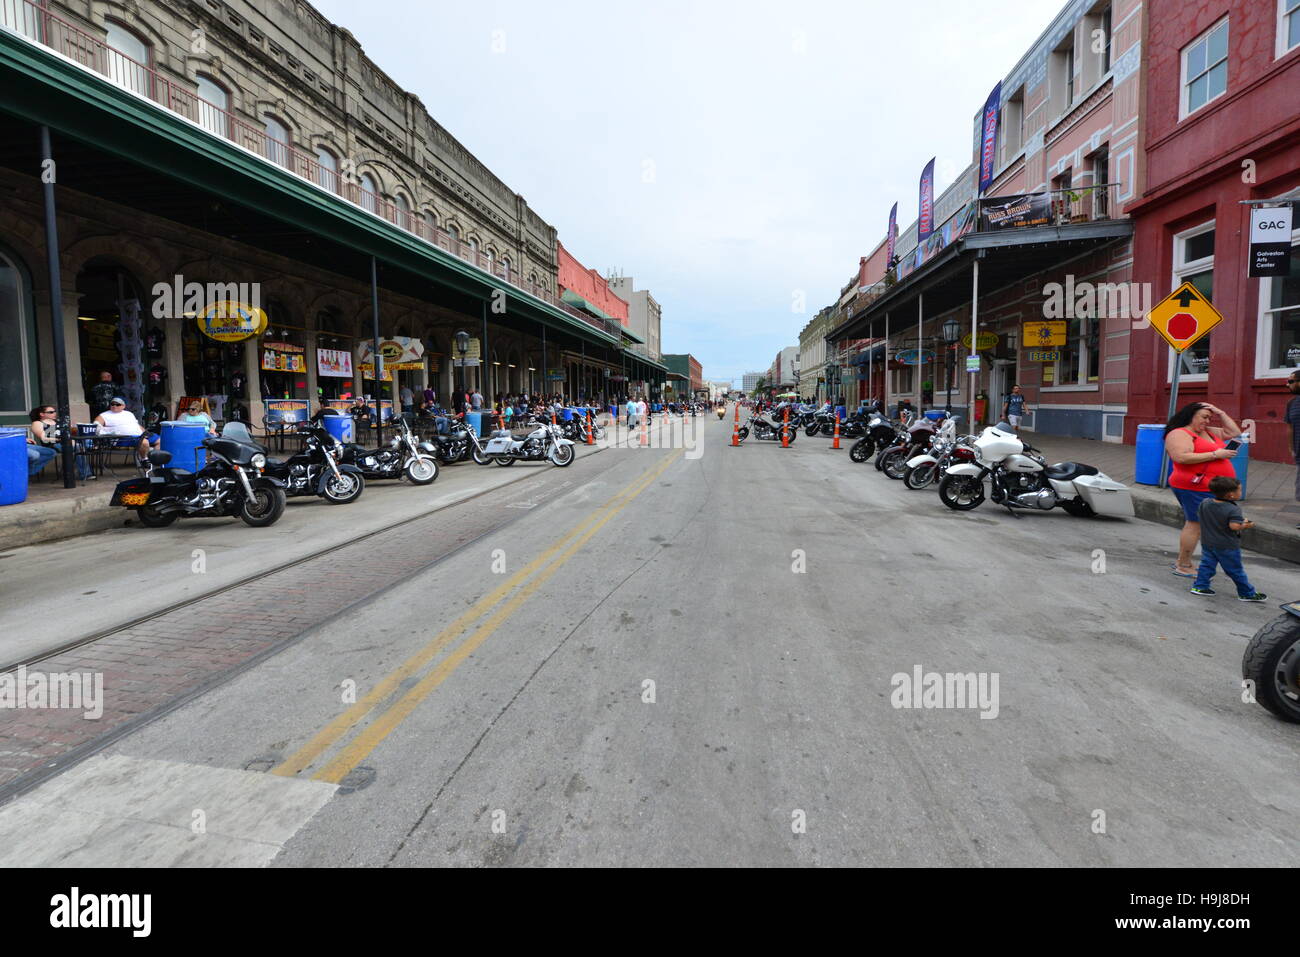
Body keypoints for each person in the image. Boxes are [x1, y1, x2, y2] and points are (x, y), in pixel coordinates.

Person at [1164, 401, 1242, 578]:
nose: (1207, 421)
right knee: (1195, 525)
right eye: (1204, 417)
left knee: (1197, 524)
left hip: (1208, 487)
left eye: (1210, 417)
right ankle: (1183, 565)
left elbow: (1235, 433)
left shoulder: (1208, 432)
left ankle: (1182, 561)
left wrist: (1220, 412)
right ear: (1191, 415)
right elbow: (1181, 457)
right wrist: (1216, 454)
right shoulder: (1179, 433)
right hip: (1193, 486)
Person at [1190, 476, 1267, 601]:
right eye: (1239, 490)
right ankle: (1246, 593)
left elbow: (1201, 515)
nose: (1241, 493)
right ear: (1231, 495)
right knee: (1235, 570)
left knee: (1206, 565)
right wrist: (1246, 524)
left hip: (1208, 542)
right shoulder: (1233, 509)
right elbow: (1234, 526)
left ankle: (1200, 586)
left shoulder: (1205, 502)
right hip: (1227, 545)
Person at [94, 398, 159, 463]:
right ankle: (144, 460)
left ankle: (153, 459)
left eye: (118, 404)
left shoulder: (129, 414)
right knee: (144, 442)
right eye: (112, 404)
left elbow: (136, 425)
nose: (114, 406)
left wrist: (145, 432)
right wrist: (107, 432)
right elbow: (96, 426)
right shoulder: (104, 415)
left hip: (139, 435)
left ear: (123, 406)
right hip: (122, 438)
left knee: (161, 441)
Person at [1287, 370, 1300, 528]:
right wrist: (1291, 448)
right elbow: (1289, 427)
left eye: (1291, 381)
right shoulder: (1291, 403)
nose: (1288, 384)